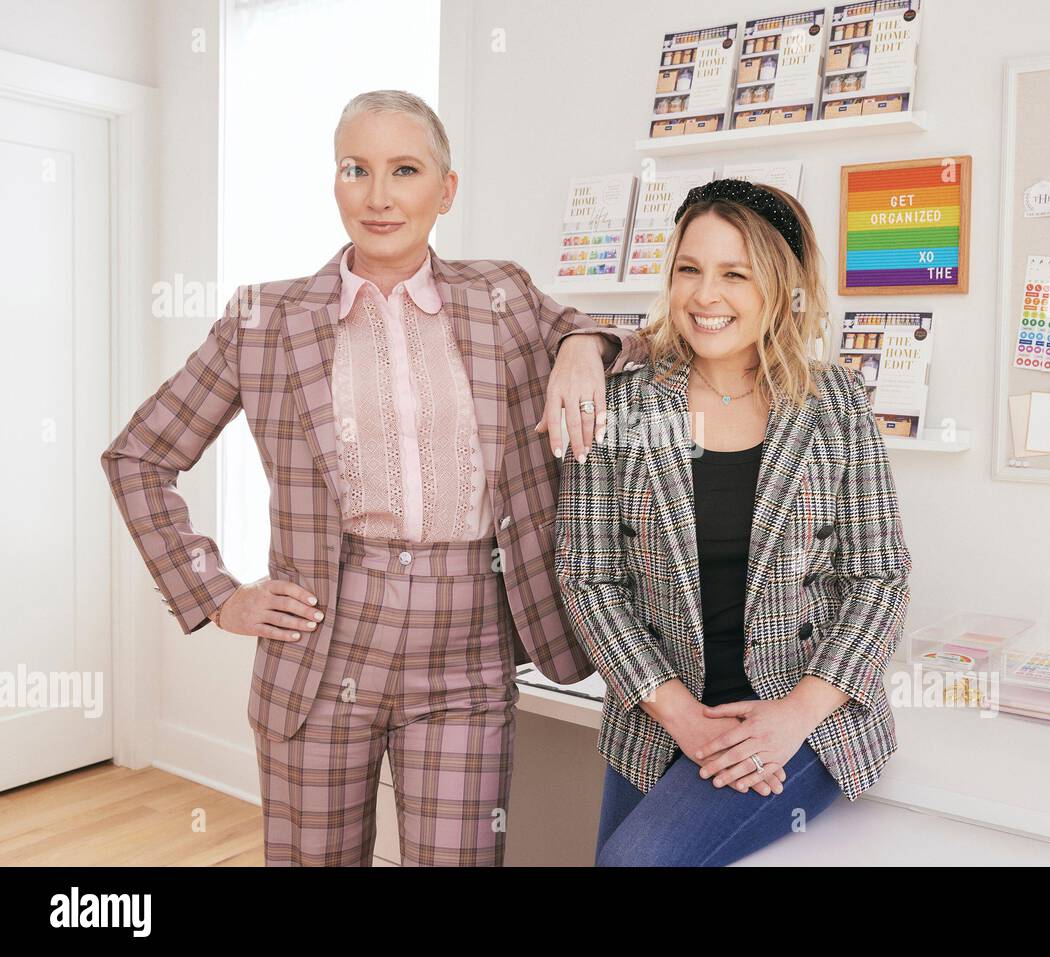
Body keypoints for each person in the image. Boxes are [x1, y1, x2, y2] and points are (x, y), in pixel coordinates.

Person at [101, 89, 647, 866]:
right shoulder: (263, 318)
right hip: (321, 646)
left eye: (405, 169)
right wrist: (216, 595)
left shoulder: (504, 296)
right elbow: (140, 455)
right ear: (335, 182)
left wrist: (582, 347)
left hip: (468, 648)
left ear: (446, 188)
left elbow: (631, 335)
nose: (380, 195)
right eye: (357, 169)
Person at [554, 180, 912, 866]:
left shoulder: (834, 401)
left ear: (780, 285)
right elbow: (588, 578)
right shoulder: (622, 403)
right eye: (689, 269)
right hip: (659, 718)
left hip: (804, 716)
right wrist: (681, 715)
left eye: (734, 274)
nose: (704, 295)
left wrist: (796, 713)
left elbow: (880, 574)